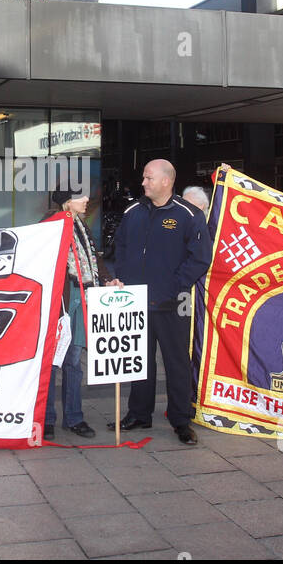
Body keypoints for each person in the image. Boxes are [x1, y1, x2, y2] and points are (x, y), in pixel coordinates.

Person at [105, 159, 213, 445]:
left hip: (172, 302)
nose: (143, 183)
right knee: (139, 360)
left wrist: (175, 285)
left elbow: (201, 257)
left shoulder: (188, 214)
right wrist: (121, 279)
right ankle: (139, 413)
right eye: (144, 178)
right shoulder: (132, 212)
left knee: (176, 362)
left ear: (166, 181)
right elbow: (122, 248)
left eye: (149, 178)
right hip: (136, 301)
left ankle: (180, 420)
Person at [44, 189, 98, 440]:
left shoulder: (82, 227)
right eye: (81, 197)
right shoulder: (51, 225)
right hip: (61, 302)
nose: (87, 200)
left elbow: (93, 259)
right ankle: (46, 419)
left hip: (81, 297)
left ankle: (74, 417)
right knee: (52, 361)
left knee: (74, 360)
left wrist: (107, 280)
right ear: (67, 202)